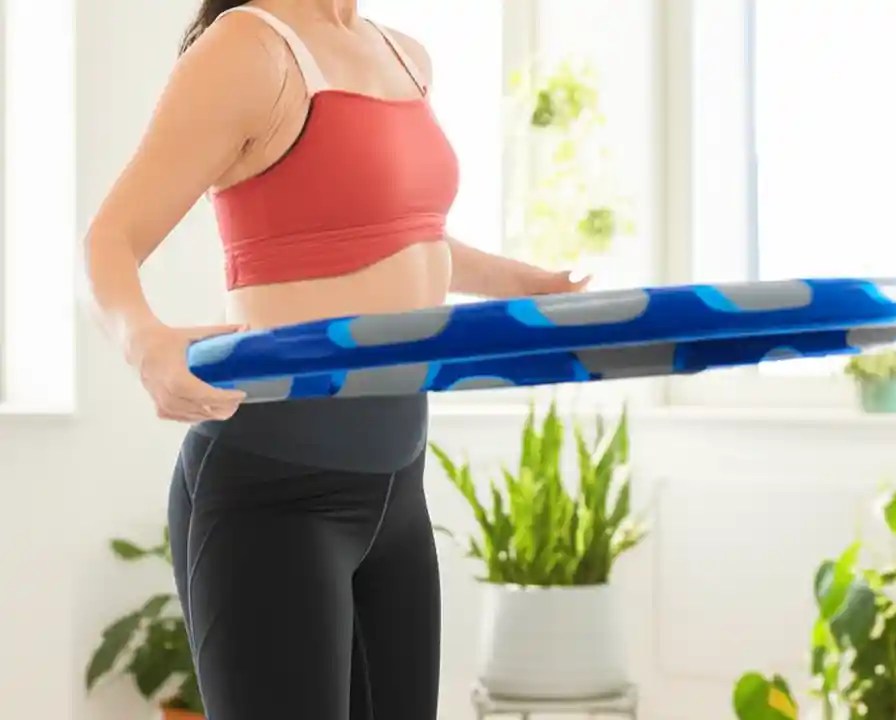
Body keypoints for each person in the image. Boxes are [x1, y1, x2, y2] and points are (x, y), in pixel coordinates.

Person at [81, 1, 586, 717]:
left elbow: (401, 238)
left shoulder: (402, 54)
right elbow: (109, 238)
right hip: (274, 486)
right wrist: (144, 344)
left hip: (396, 487)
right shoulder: (248, 49)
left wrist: (531, 286)